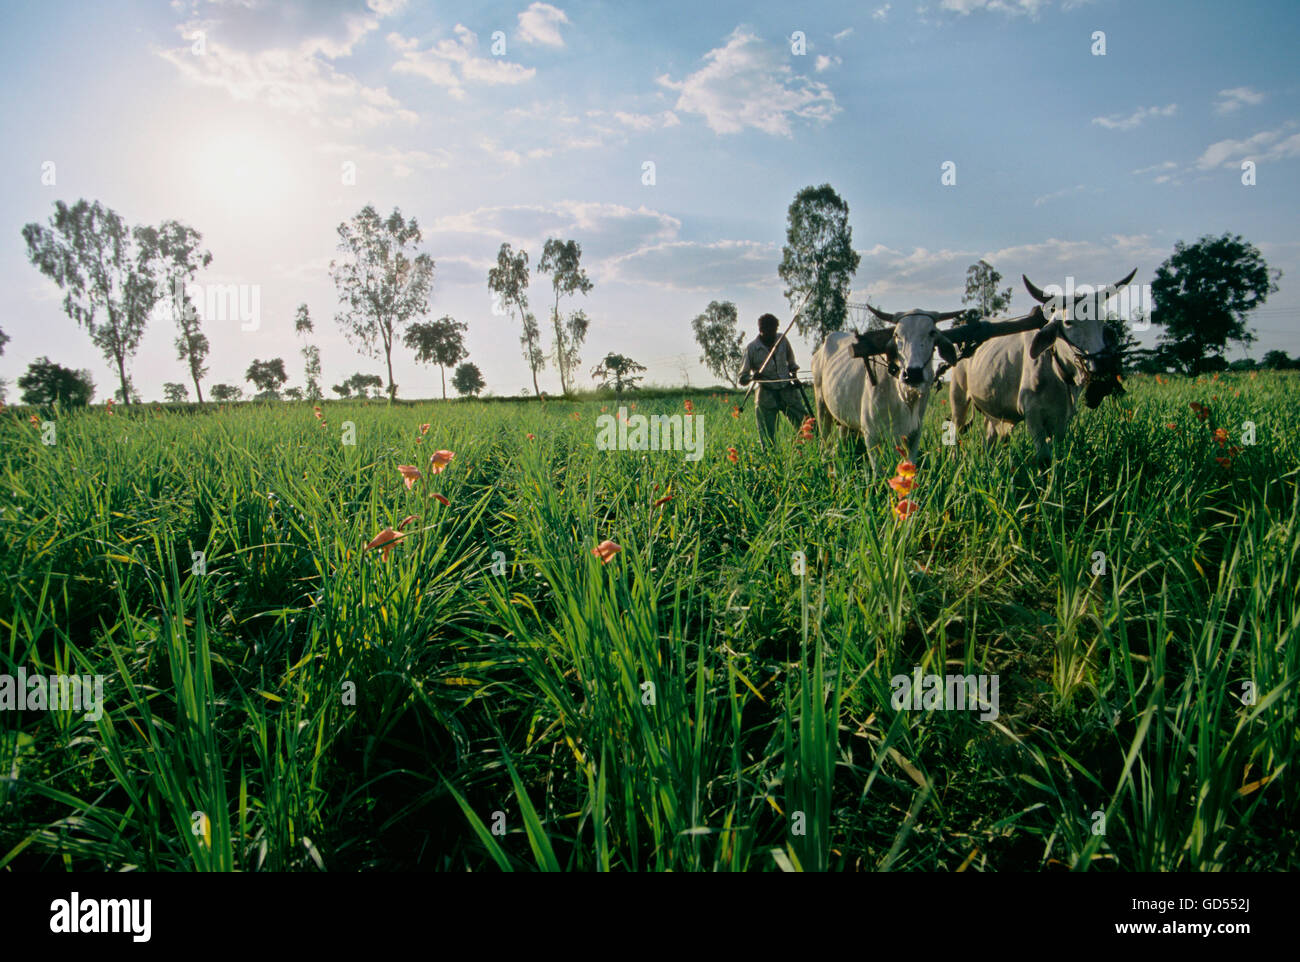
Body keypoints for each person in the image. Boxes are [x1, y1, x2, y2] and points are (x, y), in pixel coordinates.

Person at [738, 312, 808, 447]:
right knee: (767, 437)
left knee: (806, 425)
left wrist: (794, 376)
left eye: (775, 330)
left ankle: (810, 452)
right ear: (761, 331)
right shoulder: (752, 348)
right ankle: (770, 460)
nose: (773, 335)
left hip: (787, 391)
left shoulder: (782, 340)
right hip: (766, 395)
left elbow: (791, 362)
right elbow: (742, 379)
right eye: (770, 332)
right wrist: (753, 377)